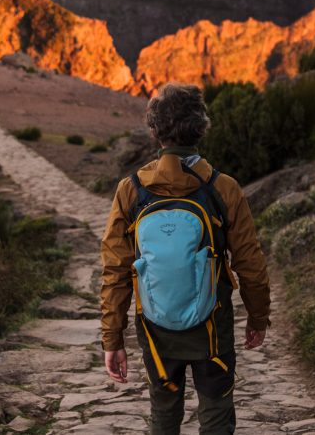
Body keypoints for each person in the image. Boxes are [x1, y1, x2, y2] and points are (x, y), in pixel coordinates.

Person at [100, 83, 271, 435]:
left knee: (164, 410)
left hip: (155, 329)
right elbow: (249, 263)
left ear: (154, 130)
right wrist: (258, 316)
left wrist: (112, 339)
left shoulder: (131, 190)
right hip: (212, 325)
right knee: (216, 408)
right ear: (201, 128)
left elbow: (116, 270)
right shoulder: (223, 189)